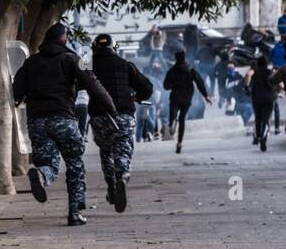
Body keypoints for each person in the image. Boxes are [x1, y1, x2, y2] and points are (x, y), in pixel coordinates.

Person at [12, 23, 115, 226]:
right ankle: (75, 213)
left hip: (37, 122)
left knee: (49, 163)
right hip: (63, 119)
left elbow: (16, 92)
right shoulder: (73, 58)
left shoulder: (31, 62)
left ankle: (41, 174)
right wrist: (110, 108)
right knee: (75, 164)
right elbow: (94, 83)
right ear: (64, 39)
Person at [88, 34, 152, 213]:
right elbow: (147, 88)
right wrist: (136, 97)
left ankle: (111, 186)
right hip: (123, 115)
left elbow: (76, 83)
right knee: (123, 148)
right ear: (114, 48)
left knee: (105, 151)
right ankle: (122, 176)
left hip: (99, 116)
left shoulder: (88, 65)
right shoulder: (125, 65)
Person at [163, 50, 212, 153]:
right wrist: (206, 96)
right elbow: (200, 82)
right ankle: (179, 143)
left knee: (173, 115)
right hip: (187, 98)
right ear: (185, 58)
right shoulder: (190, 70)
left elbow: (166, 86)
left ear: (175, 58)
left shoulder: (172, 70)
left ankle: (172, 122)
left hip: (175, 97)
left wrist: (174, 83)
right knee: (182, 120)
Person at [246, 55, 277, 151]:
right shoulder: (270, 72)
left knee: (258, 118)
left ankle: (257, 136)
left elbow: (248, 75)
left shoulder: (254, 71)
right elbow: (278, 82)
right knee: (266, 119)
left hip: (256, 97)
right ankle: (264, 138)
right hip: (268, 98)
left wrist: (246, 87)